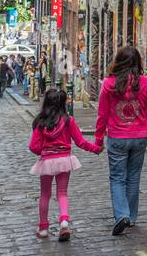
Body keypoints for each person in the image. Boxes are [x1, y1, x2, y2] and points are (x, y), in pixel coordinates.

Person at [96, 46, 147, 236]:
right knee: (133, 177)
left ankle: (121, 215)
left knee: (117, 178)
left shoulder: (109, 84)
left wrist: (99, 139)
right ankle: (131, 217)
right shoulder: (145, 84)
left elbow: (102, 115)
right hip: (140, 137)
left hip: (117, 137)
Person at [29, 88, 102, 241]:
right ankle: (64, 223)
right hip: (64, 160)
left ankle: (43, 228)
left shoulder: (40, 123)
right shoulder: (68, 121)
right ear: (63, 103)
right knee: (62, 193)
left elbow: (33, 147)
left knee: (45, 195)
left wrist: (43, 152)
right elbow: (81, 142)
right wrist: (95, 149)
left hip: (47, 161)